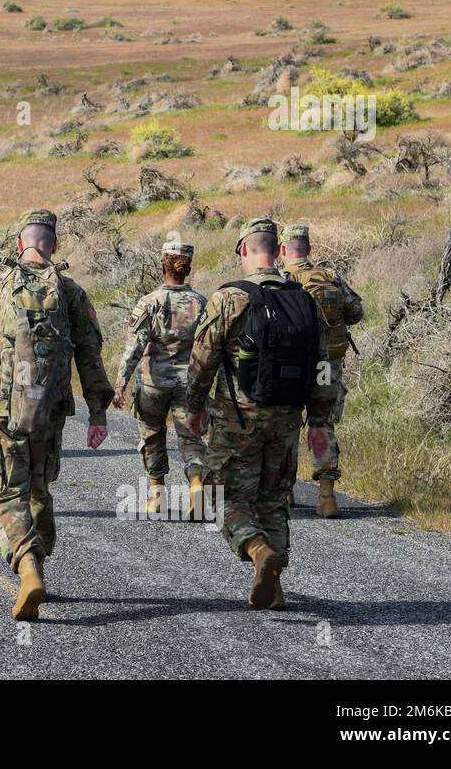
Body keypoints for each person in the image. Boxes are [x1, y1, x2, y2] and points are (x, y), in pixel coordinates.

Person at [0, 209, 113, 621]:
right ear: (53, 246)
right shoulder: (72, 291)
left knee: (6, 493)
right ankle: (42, 551)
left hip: (2, 408)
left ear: (19, 244)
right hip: (50, 410)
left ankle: (27, 568)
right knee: (39, 486)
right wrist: (98, 414)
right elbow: (90, 355)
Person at [185, 218, 336, 612]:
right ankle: (276, 585)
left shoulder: (229, 298)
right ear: (278, 250)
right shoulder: (304, 299)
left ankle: (255, 549)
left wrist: (194, 409)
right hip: (288, 418)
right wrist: (319, 420)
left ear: (243, 251)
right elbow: (323, 367)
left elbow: (202, 361)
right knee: (273, 499)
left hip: (238, 418)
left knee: (222, 495)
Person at [113, 240, 208, 519]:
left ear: (162, 265)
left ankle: (157, 496)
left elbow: (134, 347)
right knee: (191, 437)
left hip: (153, 384)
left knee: (153, 435)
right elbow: (210, 348)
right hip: (189, 384)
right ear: (187, 268)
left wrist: (120, 384)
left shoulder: (150, 303)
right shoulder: (202, 303)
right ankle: (195, 485)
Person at [279, 223, 365, 518]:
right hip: (327, 367)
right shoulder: (330, 276)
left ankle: (286, 491)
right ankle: (327, 497)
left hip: (292, 367)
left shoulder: (281, 279)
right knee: (321, 424)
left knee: (288, 423)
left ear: (282, 250)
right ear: (309, 250)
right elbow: (356, 312)